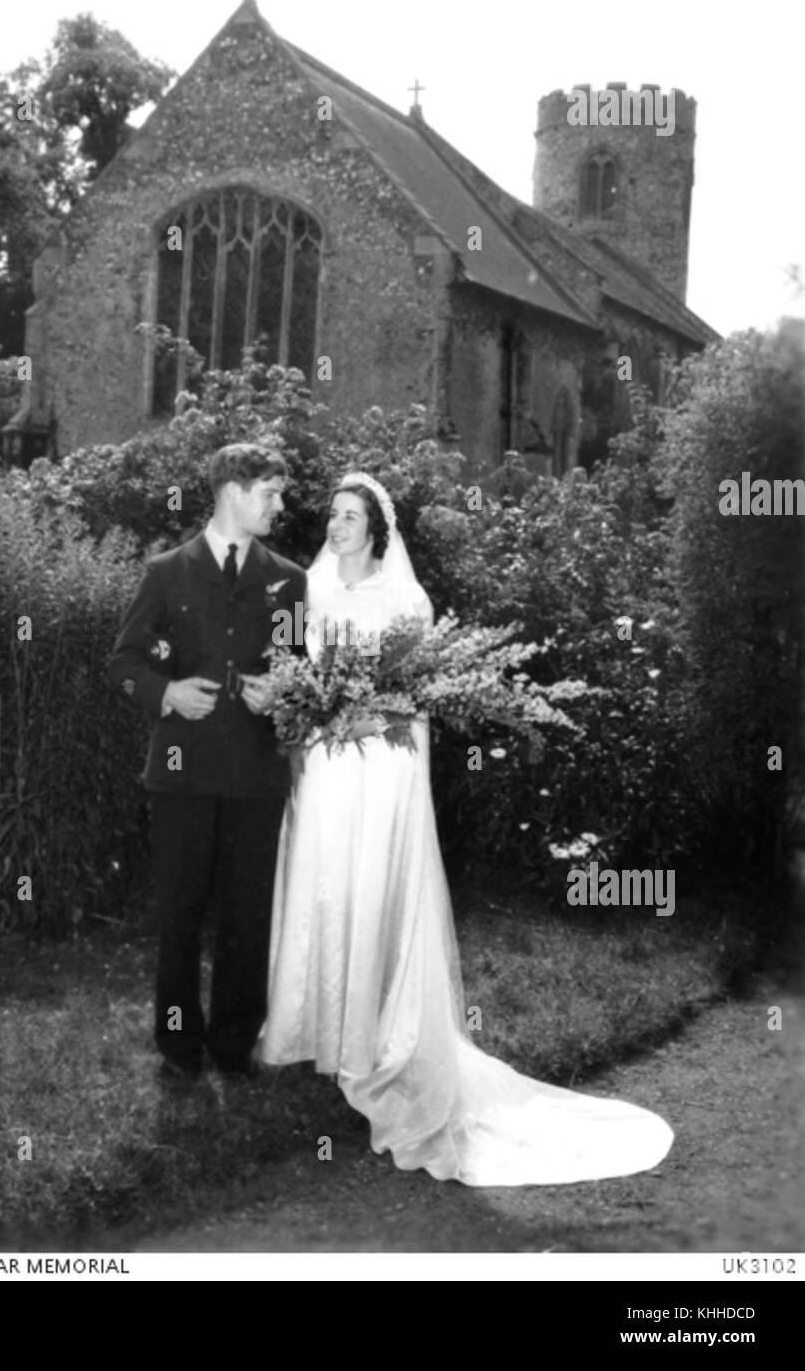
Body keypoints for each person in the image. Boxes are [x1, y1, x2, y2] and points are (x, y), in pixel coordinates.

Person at [258, 472, 674, 1185]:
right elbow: (297, 669)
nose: (337, 526)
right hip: (327, 766)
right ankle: (311, 1024)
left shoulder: (405, 599)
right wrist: (304, 713)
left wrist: (371, 717)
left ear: (377, 529)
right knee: (325, 886)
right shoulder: (311, 592)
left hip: (382, 767)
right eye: (332, 515)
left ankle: (372, 1031)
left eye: (351, 516)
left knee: (373, 888)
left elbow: (418, 696)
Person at [108, 442, 306, 1080]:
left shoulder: (287, 580)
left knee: (248, 917)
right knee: (180, 915)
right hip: (181, 775)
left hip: (256, 775)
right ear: (233, 492)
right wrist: (166, 692)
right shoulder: (167, 571)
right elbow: (125, 662)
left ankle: (232, 1044)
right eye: (270, 492)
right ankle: (179, 1047)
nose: (279, 504)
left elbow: (293, 668)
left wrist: (281, 690)